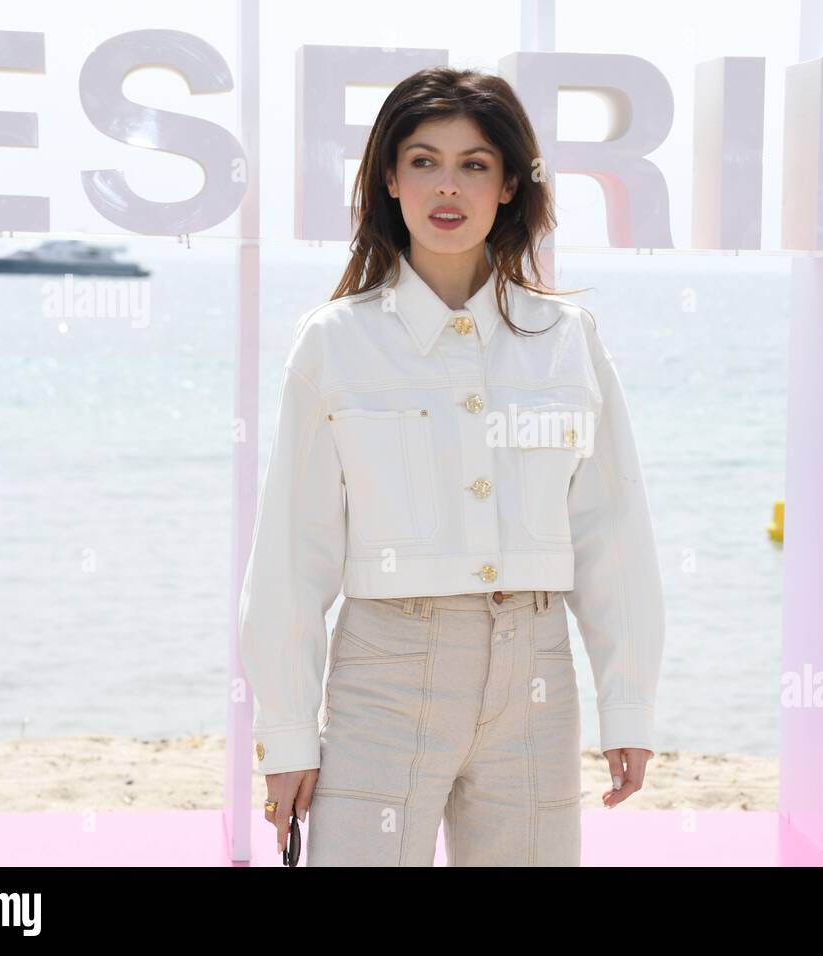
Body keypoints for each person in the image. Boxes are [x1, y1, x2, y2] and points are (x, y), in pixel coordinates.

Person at [237, 65, 665, 866]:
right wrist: (288, 730)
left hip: (535, 680)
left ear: (509, 186)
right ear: (389, 180)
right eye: (424, 160)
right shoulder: (334, 342)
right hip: (382, 682)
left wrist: (629, 705)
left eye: (475, 164)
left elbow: (614, 535)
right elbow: (293, 556)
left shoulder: (568, 339)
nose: (448, 186)